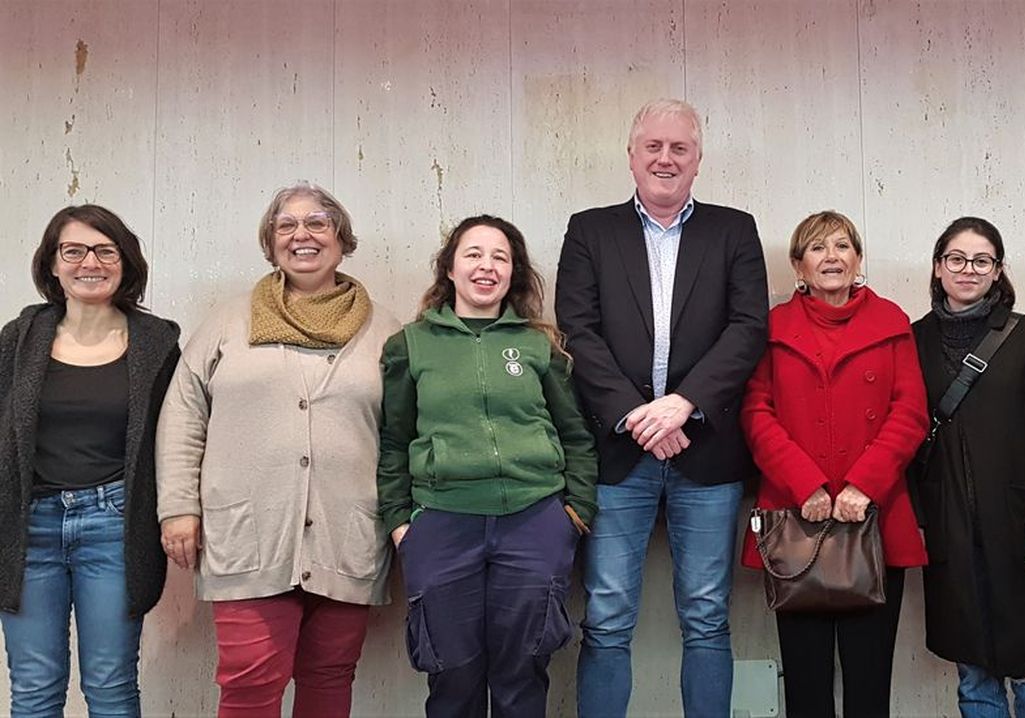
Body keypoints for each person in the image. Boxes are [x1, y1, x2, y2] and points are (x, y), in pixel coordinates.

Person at [555, 98, 768, 717]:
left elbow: (749, 327)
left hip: (706, 451)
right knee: (607, 614)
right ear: (632, 156)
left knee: (706, 616)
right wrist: (638, 414)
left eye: (679, 148)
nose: (665, 159)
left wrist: (684, 404)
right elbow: (579, 328)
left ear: (698, 159)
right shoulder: (590, 230)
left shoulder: (734, 230)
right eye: (654, 147)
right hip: (620, 451)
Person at [155, 182, 400, 718]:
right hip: (248, 534)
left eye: (317, 222)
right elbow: (183, 414)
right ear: (270, 242)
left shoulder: (384, 329)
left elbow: (404, 434)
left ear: (341, 237)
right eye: (286, 225)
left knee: (330, 679)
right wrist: (178, 508)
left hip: (347, 534)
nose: (302, 235)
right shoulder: (227, 321)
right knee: (249, 684)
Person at [378, 214, 597, 718]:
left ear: (513, 272)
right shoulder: (410, 346)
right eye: (473, 254)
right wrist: (399, 524)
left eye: (500, 257)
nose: (486, 266)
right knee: (452, 676)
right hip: (441, 523)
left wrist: (573, 513)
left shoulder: (540, 344)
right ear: (449, 269)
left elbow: (577, 435)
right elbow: (394, 441)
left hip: (534, 520)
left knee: (523, 673)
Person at [740, 210, 927, 718]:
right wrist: (807, 485)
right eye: (818, 248)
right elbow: (756, 413)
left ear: (858, 259)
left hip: (874, 516)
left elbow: (910, 413)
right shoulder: (771, 328)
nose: (832, 257)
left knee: (870, 683)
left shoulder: (891, 324)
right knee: (805, 684)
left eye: (842, 246)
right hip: (796, 522)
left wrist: (863, 485)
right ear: (798, 267)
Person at [0, 205, 180, 717]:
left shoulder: (157, 343)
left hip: (115, 526)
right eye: (73, 250)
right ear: (53, 264)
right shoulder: (19, 339)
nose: (89, 263)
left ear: (125, 262)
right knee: (34, 687)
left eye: (105, 250)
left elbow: (177, 438)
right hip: (27, 528)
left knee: (111, 683)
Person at [911, 217, 1025, 717]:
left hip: (1022, 523)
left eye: (982, 261)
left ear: (998, 271)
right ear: (938, 267)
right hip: (950, 526)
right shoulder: (913, 339)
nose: (968, 270)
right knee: (973, 671)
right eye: (957, 259)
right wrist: (921, 520)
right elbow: (904, 432)